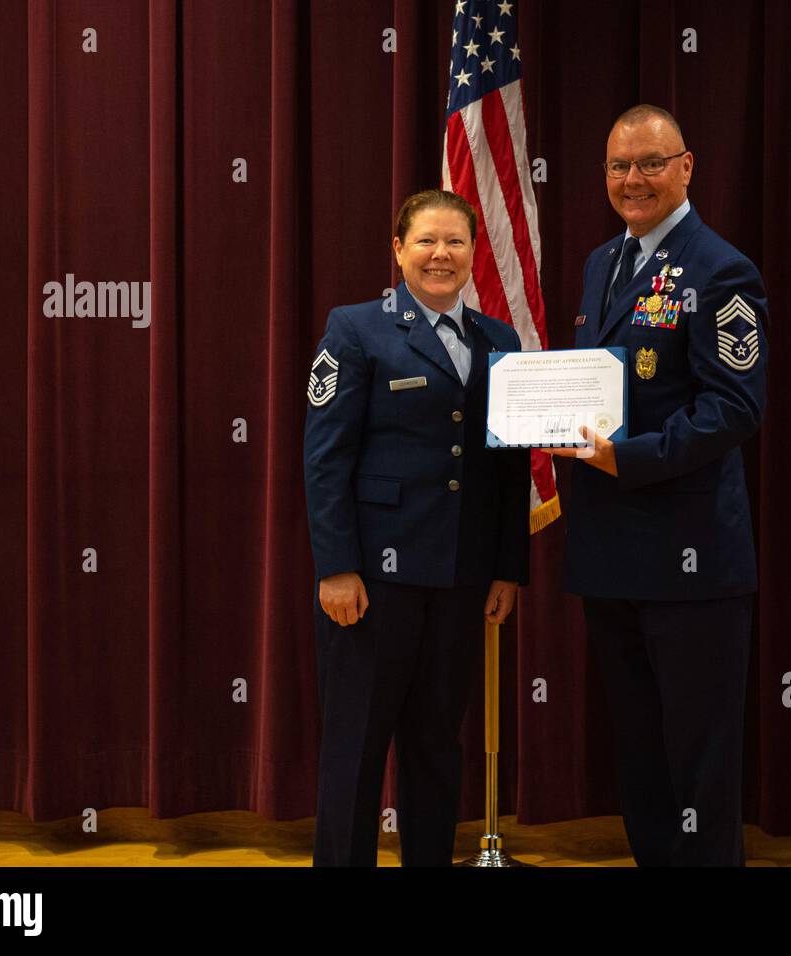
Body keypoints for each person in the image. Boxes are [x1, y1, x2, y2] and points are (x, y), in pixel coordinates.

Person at [546, 104, 768, 866]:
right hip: (611, 554)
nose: (631, 179)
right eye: (617, 166)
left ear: (686, 166)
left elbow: (735, 408)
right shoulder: (602, 263)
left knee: (700, 764)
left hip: (692, 560)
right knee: (638, 757)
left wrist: (628, 457)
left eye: (648, 163)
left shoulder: (722, 270)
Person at [303, 189, 530, 866]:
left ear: (473, 252)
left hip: (460, 578)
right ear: (398, 249)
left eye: (455, 242)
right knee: (357, 749)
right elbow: (325, 458)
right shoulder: (355, 330)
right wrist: (336, 566)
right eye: (426, 241)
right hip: (373, 582)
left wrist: (506, 566)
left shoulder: (500, 340)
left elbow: (508, 467)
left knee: (437, 746)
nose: (441, 255)